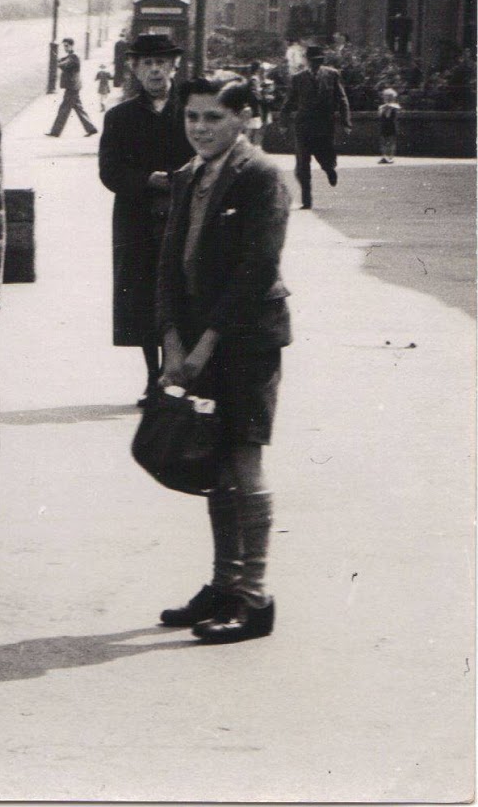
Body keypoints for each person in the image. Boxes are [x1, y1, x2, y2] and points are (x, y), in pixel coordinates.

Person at [156, 77, 291, 644]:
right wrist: (170, 339)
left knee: (242, 458)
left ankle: (253, 597)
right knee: (212, 462)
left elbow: (257, 269)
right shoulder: (190, 175)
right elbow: (168, 262)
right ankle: (223, 584)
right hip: (195, 340)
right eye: (192, 117)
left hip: (246, 341)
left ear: (243, 118)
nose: (200, 128)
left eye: (213, 117)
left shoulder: (261, 176)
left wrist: (206, 344)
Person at [99, 34, 194, 405]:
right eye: (147, 64)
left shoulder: (191, 111)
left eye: (162, 63)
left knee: (185, 290)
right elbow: (109, 171)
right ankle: (153, 377)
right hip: (137, 218)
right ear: (135, 69)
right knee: (142, 295)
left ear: (174, 66)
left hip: (185, 213)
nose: (155, 70)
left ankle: (181, 372)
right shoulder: (119, 117)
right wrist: (146, 180)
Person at [280, 42, 352, 208]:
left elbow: (342, 99)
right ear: (307, 60)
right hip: (303, 126)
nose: (315, 64)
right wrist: (283, 122)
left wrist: (346, 121)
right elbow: (289, 101)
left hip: (324, 125)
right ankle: (307, 200)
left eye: (319, 60)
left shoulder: (332, 75)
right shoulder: (298, 78)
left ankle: (329, 169)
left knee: (325, 157)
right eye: (313, 60)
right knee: (302, 164)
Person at [47, 37, 98, 137]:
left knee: (64, 109)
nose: (65, 48)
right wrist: (59, 60)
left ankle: (55, 132)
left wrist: (57, 62)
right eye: (64, 46)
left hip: (72, 87)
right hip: (73, 86)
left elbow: (64, 65)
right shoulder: (71, 56)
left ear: (71, 45)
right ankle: (91, 128)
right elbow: (64, 60)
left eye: (66, 46)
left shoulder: (74, 57)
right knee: (78, 108)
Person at [377, 87, 402, 163]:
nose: (387, 98)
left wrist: (389, 107)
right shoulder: (382, 107)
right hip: (384, 125)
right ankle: (384, 156)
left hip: (392, 125)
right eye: (385, 96)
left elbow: (396, 110)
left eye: (389, 96)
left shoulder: (396, 106)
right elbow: (380, 114)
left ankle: (391, 157)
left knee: (391, 141)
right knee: (383, 142)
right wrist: (385, 108)